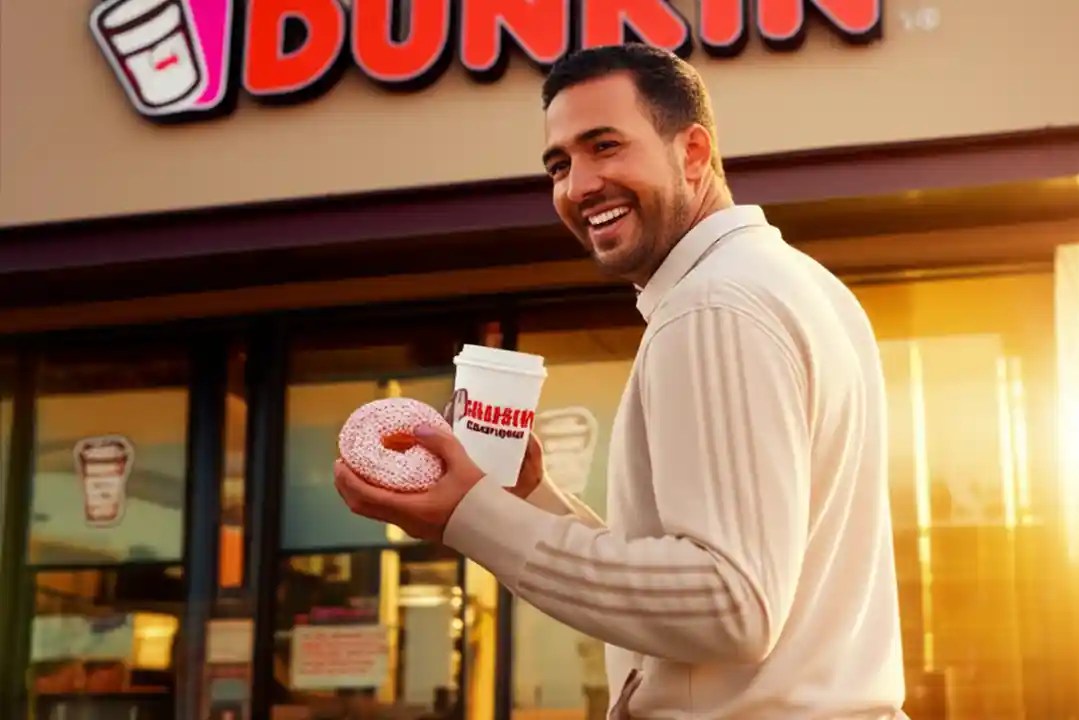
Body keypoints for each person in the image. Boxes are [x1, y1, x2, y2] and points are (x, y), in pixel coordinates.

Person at [334, 43, 907, 720]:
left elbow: (731, 605)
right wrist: (529, 499)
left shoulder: (712, 305)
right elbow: (713, 575)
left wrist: (469, 516)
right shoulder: (804, 285)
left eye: (605, 146)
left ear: (693, 153)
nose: (578, 187)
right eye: (559, 164)